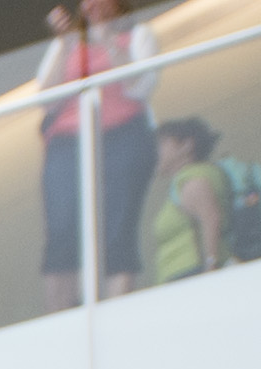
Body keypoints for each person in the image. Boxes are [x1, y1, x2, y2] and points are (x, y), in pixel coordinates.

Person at [35, 0, 159, 310]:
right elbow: (46, 99)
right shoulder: (67, 44)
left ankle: (117, 309)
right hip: (68, 141)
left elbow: (139, 85)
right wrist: (65, 44)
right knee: (62, 228)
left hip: (123, 135)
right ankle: (62, 315)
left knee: (117, 225)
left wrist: (108, 40)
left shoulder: (138, 35)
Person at [145, 115, 234, 282]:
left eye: (161, 144)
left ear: (186, 145)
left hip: (190, 273)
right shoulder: (188, 180)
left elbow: (211, 219)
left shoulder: (193, 179)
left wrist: (211, 268)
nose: (154, 152)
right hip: (186, 275)